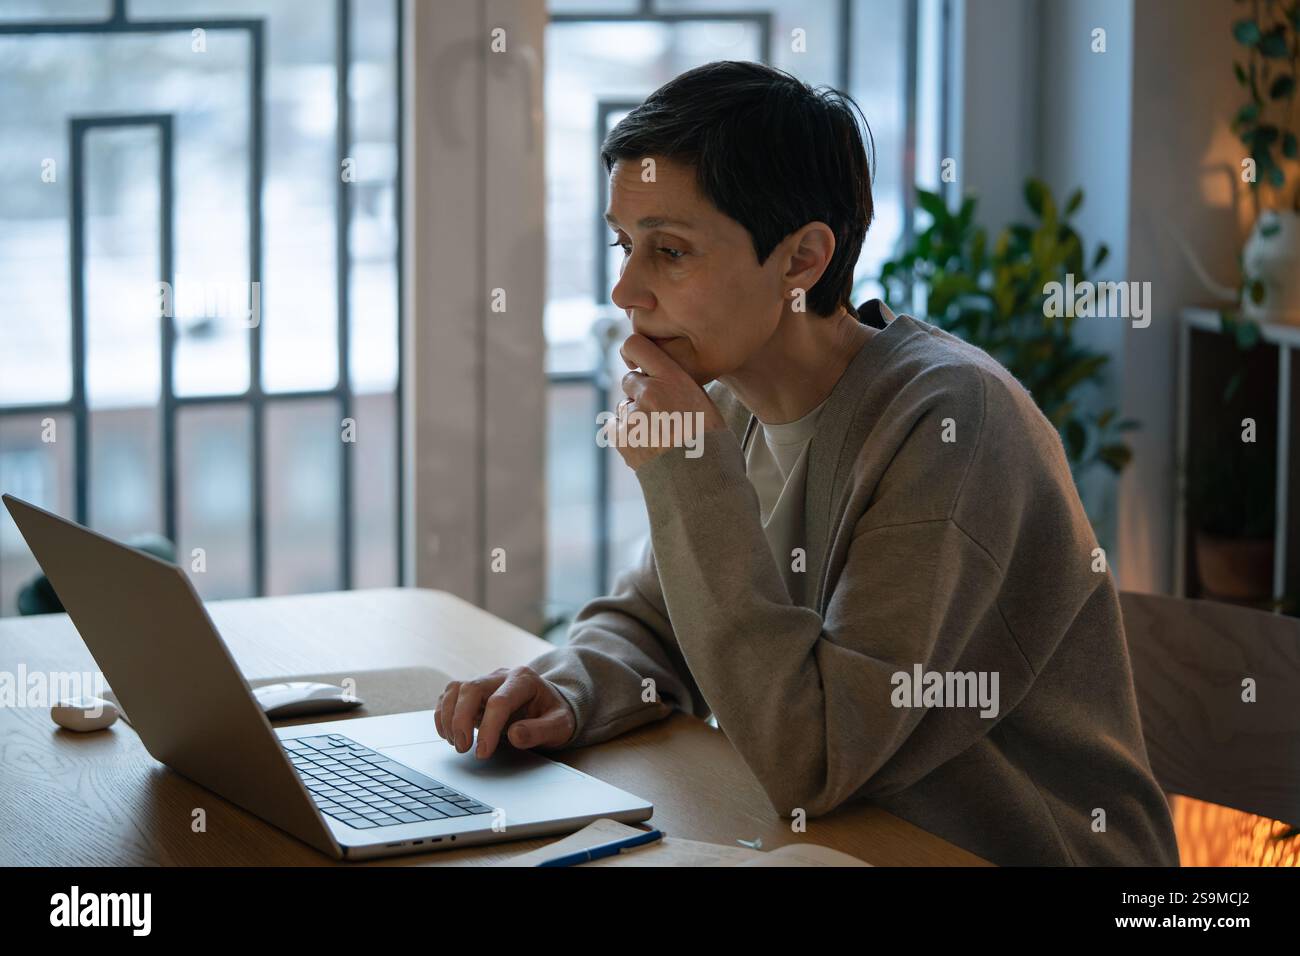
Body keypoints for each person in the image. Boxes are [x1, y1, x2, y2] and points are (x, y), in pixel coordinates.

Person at [434, 60, 1180, 867]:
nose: (625, 291)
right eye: (625, 246)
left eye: (670, 251)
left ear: (801, 260)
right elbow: (657, 624)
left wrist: (688, 474)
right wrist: (569, 689)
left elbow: (814, 759)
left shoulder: (950, 424)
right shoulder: (727, 401)